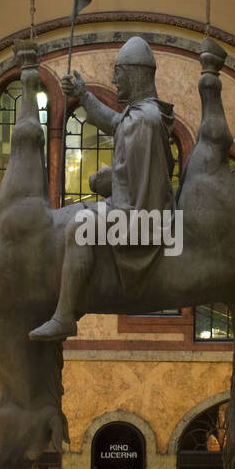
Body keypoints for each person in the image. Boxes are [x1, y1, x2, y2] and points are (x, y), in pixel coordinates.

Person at [29, 37, 176, 342]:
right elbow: (114, 124)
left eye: (118, 75)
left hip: (142, 217)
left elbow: (144, 182)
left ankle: (65, 316)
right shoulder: (140, 115)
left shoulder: (144, 120)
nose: (113, 80)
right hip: (135, 202)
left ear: (134, 76)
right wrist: (83, 95)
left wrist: (114, 180)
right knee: (91, 193)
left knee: (78, 226)